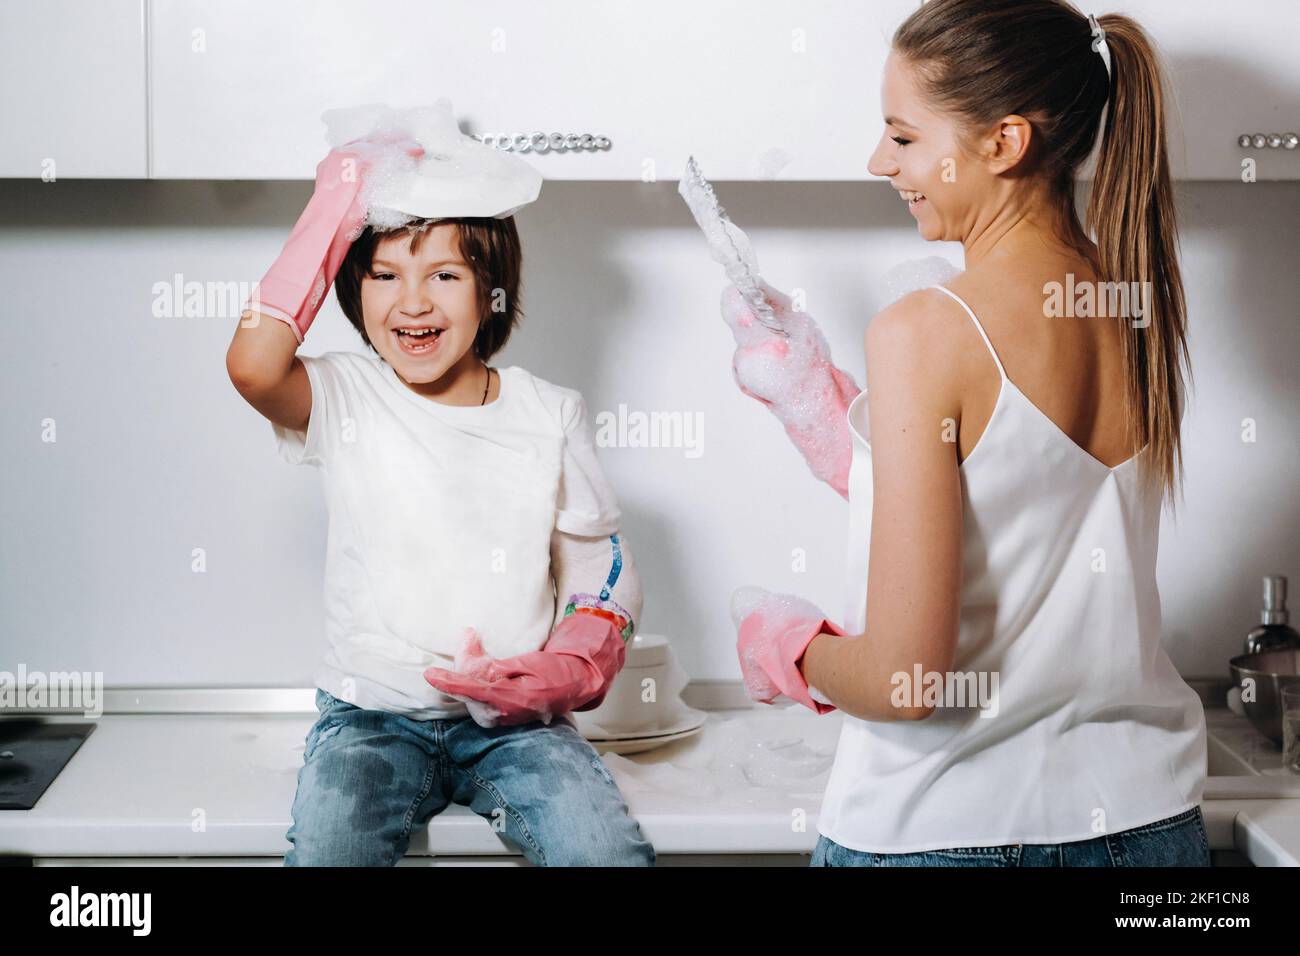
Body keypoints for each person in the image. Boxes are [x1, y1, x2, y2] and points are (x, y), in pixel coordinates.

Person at [727, 0, 1209, 867]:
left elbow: (903, 686)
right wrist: (832, 407)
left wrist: (790, 647)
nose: (880, 163)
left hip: (945, 832)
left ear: (1003, 143)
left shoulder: (927, 329)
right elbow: (1020, 494)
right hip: (1149, 826)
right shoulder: (1137, 307)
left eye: (903, 137)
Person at [225, 115, 653, 866]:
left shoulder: (548, 413)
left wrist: (570, 668)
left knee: (605, 853)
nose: (412, 302)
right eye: (384, 275)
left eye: (445, 275)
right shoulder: (347, 395)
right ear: (352, 288)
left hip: (519, 728)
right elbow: (255, 367)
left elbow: (601, 575)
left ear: (494, 291)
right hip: (369, 719)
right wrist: (340, 202)